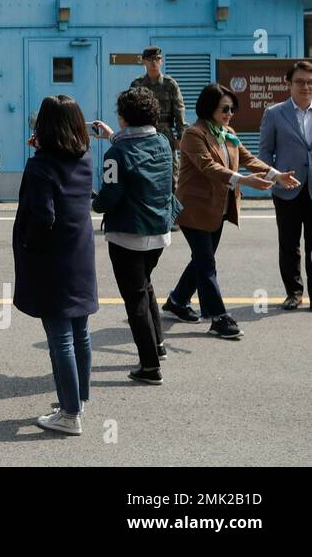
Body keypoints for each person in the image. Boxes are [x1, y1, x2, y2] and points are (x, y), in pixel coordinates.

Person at [164, 83, 296, 339]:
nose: (229, 113)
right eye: (224, 108)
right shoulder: (194, 134)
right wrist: (244, 180)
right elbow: (208, 167)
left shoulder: (227, 133)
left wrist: (277, 175)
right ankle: (218, 317)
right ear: (208, 108)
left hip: (218, 208)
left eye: (232, 109)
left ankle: (177, 301)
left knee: (203, 259)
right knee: (206, 262)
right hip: (194, 210)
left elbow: (248, 158)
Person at [13, 95, 98, 436]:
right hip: (80, 251)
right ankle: (79, 398)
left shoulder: (41, 166)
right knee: (80, 331)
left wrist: (28, 244)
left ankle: (69, 413)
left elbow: (43, 216)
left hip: (52, 258)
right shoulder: (85, 158)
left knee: (60, 337)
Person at [91, 87, 180, 385]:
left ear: (123, 116)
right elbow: (138, 149)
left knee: (135, 299)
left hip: (128, 233)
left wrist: (94, 202)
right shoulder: (162, 142)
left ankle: (150, 366)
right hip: (159, 230)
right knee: (146, 287)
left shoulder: (116, 153)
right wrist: (112, 135)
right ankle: (158, 345)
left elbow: (110, 196)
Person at [258, 60, 312, 310]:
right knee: (289, 244)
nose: (306, 86)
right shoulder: (274, 113)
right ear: (289, 83)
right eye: (300, 81)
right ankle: (294, 292)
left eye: (310, 82)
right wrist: (274, 176)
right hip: (287, 188)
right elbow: (265, 152)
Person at [130, 47, 187, 190]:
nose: (154, 63)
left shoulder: (170, 84)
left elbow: (179, 111)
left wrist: (181, 136)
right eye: (150, 60)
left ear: (161, 61)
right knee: (143, 171)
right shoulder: (137, 84)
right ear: (144, 62)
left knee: (171, 175)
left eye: (157, 59)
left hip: (165, 134)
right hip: (142, 135)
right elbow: (130, 111)